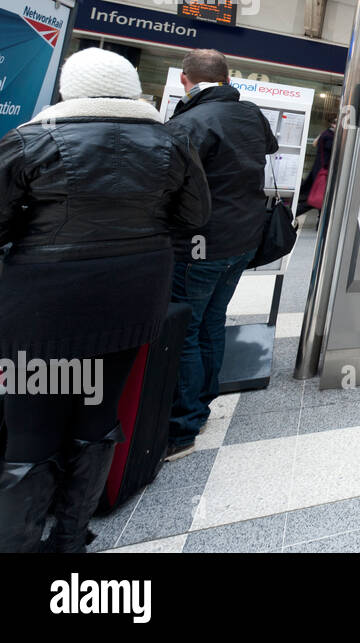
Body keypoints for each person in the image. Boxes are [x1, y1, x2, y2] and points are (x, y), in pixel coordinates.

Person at [0, 49, 209, 551]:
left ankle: (20, 543)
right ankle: (72, 537)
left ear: (70, 89)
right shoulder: (171, 141)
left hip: (45, 303)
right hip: (133, 299)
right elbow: (195, 217)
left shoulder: (30, 140)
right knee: (98, 410)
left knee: (31, 424)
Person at [165, 50, 278, 461]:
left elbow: (171, 182)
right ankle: (202, 406)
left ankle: (182, 428)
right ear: (228, 79)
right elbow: (270, 146)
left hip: (200, 243)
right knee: (212, 321)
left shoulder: (191, 121)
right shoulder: (250, 114)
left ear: (185, 79)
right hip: (241, 240)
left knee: (186, 331)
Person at [295, 114, 336, 218]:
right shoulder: (329, 136)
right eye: (336, 122)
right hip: (322, 171)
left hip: (320, 170)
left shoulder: (326, 133)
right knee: (316, 198)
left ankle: (319, 221)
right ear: (332, 124)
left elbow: (314, 143)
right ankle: (289, 215)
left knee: (318, 197)